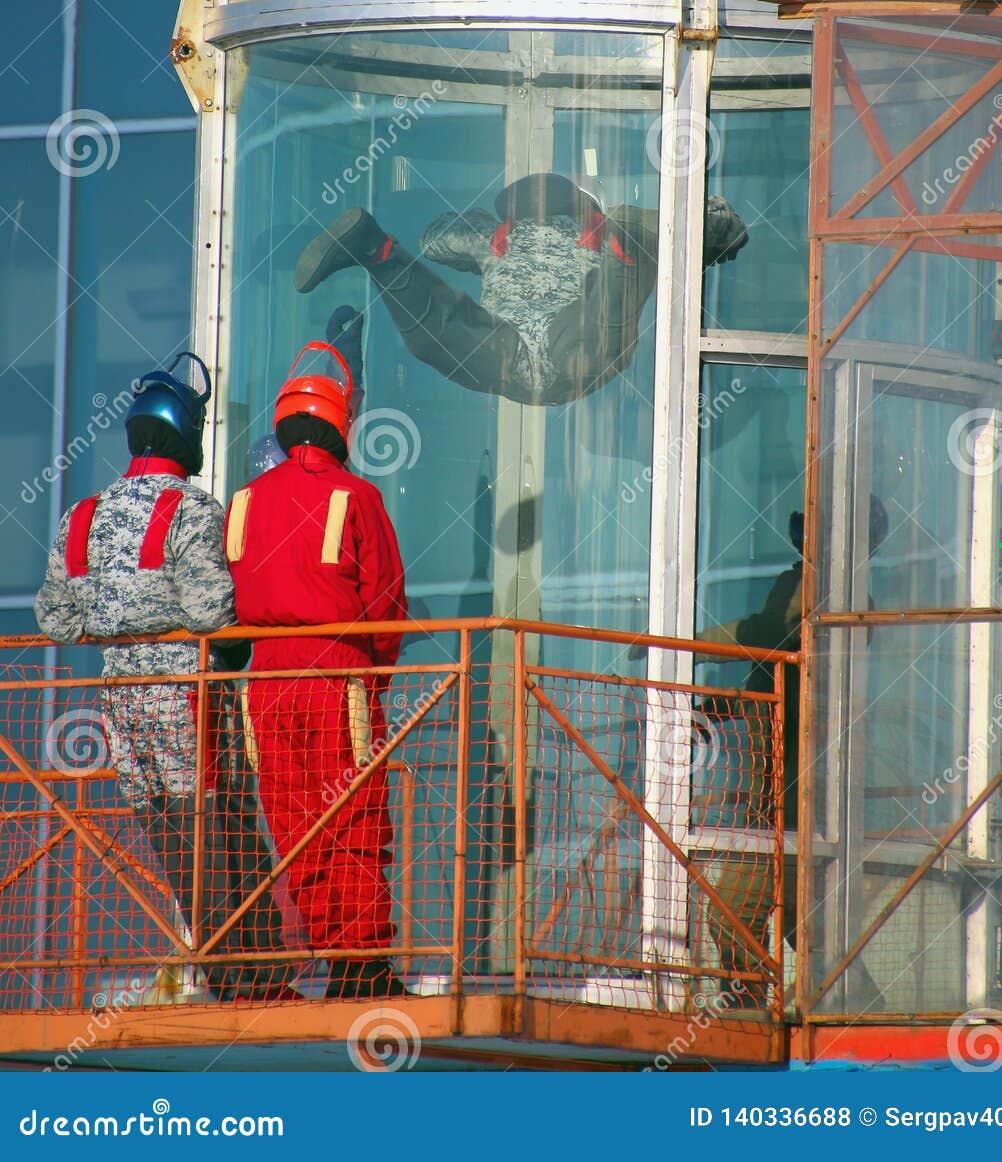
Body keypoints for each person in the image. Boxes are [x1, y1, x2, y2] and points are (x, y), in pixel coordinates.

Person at [34, 353, 295, 1003]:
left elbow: (57, 620)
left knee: (171, 835)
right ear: (186, 433)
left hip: (121, 707)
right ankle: (247, 975)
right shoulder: (193, 510)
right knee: (220, 829)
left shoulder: (81, 519)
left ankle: (237, 971)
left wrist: (118, 622)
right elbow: (211, 611)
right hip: (190, 697)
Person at [225, 336, 407, 1000]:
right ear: (338, 424)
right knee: (355, 820)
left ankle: (334, 955)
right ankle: (361, 965)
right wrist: (373, 677)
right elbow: (385, 601)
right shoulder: (353, 496)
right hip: (336, 676)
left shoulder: (243, 502)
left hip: (263, 685)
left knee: (294, 824)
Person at [292, 171, 748, 405]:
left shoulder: (590, 233)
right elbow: (433, 238)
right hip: (505, 354)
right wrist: (486, 234)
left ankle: (628, 248)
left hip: (574, 344)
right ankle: (377, 251)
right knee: (434, 337)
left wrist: (610, 232)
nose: (538, 217)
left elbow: (724, 224)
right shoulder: (497, 239)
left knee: (596, 321)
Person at [696, 500, 889, 1007]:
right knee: (805, 932)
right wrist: (714, 710)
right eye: (807, 533)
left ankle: (758, 1013)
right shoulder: (817, 587)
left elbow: (772, 640)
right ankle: (851, 1010)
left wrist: (687, 642)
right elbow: (770, 672)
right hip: (779, 796)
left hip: (790, 799)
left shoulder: (838, 594)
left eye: (817, 533)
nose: (808, 544)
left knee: (746, 918)